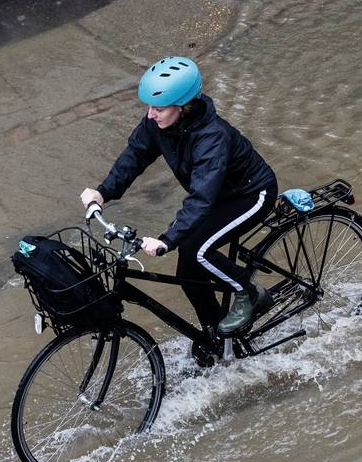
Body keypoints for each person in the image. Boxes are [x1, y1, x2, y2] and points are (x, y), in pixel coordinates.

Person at [80, 56, 278, 364]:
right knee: (187, 268)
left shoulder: (212, 137)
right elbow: (134, 156)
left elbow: (200, 199)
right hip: (214, 197)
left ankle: (251, 293)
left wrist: (166, 238)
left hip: (249, 195)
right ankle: (217, 336)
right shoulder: (158, 124)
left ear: (183, 105)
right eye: (148, 106)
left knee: (197, 251)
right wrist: (103, 192)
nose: (150, 114)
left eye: (158, 108)